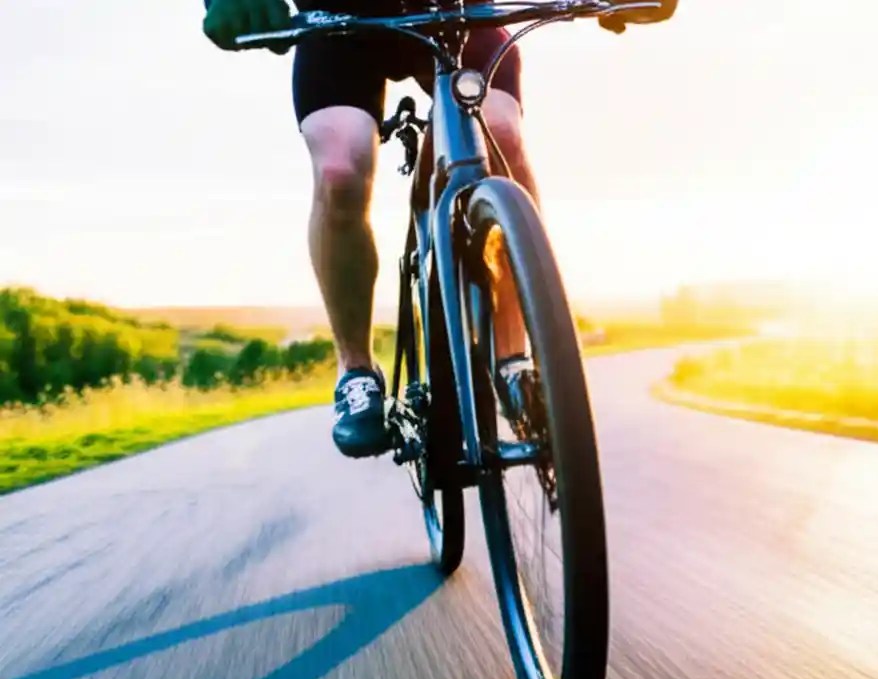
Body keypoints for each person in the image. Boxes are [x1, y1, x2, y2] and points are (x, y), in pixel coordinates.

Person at [201, 0, 677, 457]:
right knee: (340, 170)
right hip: (338, 20)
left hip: (461, 10)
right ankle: (357, 372)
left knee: (501, 136)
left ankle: (513, 360)